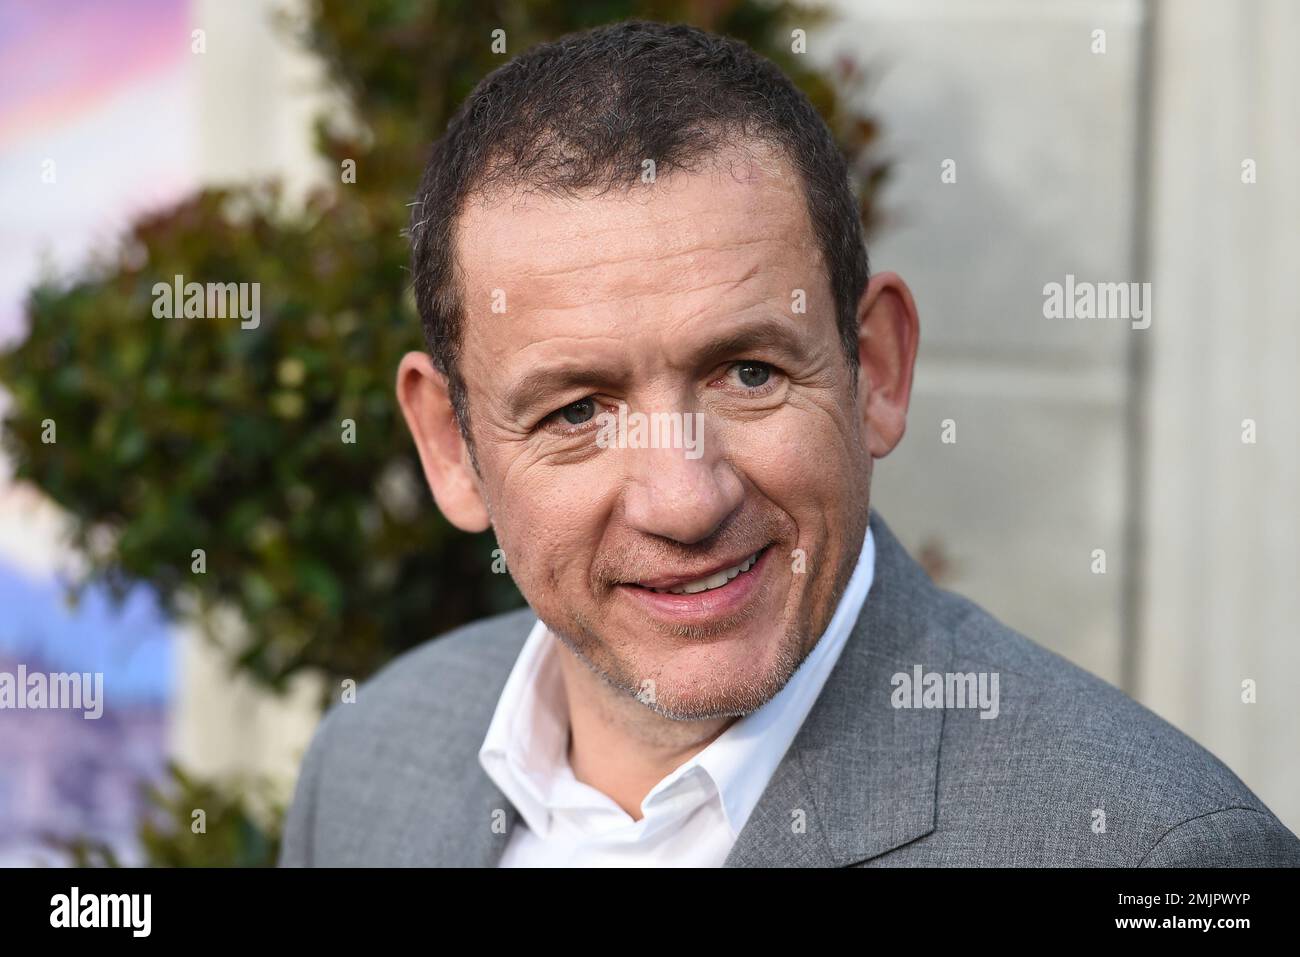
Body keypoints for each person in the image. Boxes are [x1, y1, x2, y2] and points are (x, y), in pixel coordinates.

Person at [280, 20, 1300, 867]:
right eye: (577, 411)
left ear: (877, 371)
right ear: (451, 447)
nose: (683, 500)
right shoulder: (368, 765)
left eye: (749, 374)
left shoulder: (1155, 856)